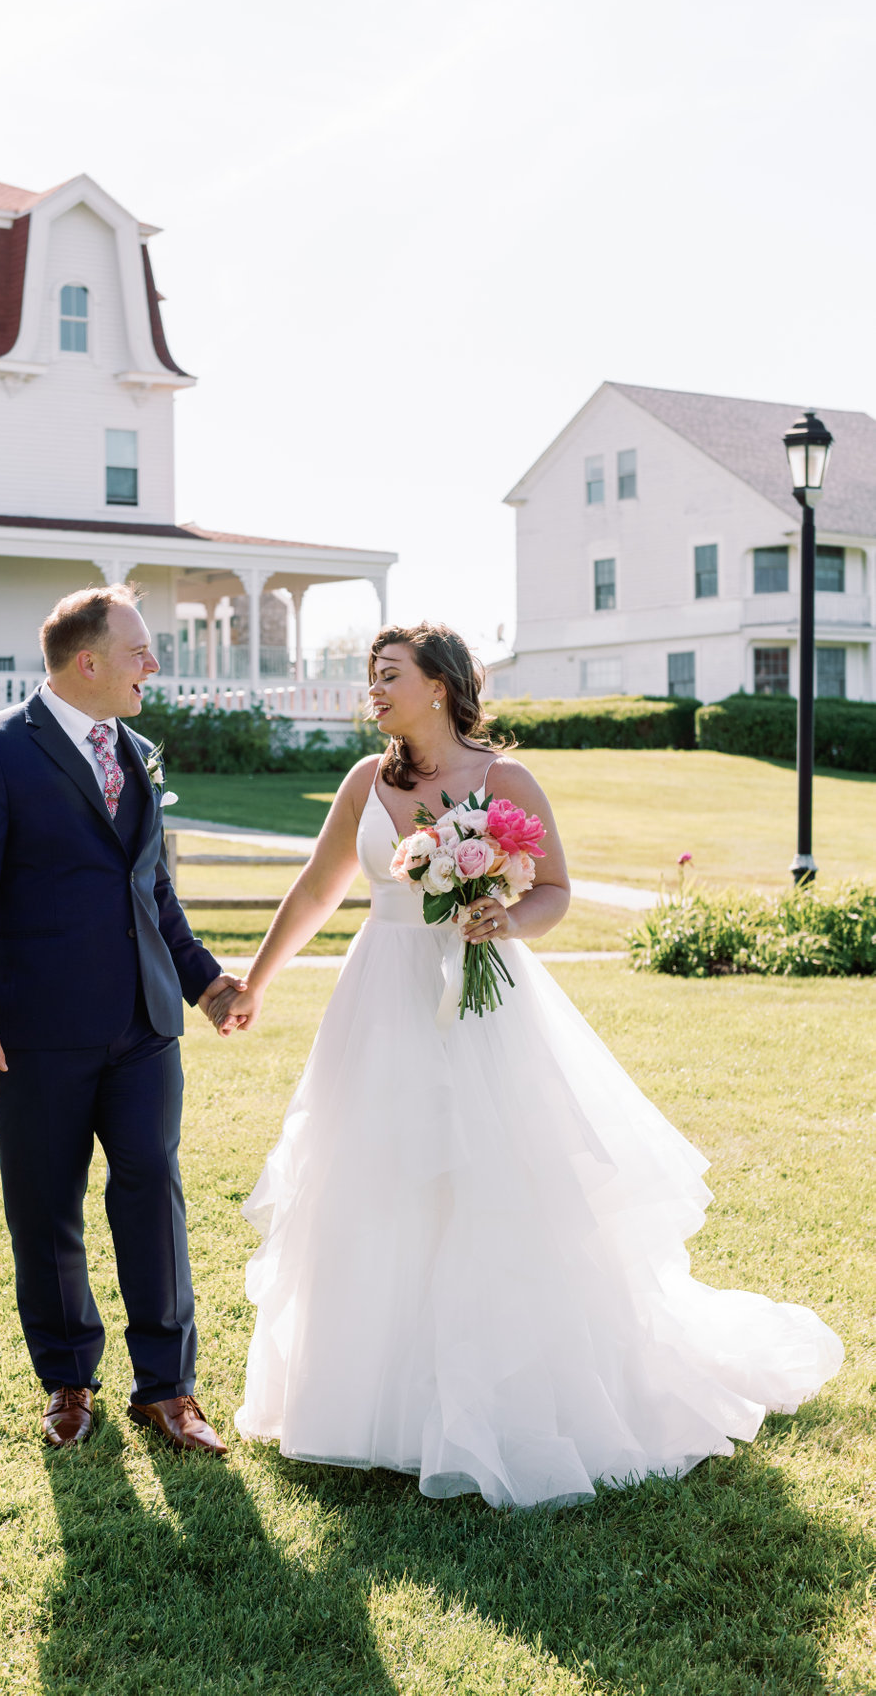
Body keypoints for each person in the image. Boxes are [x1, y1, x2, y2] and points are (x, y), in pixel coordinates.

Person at [217, 623, 843, 1509]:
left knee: (492, 1181)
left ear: (438, 686)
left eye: (388, 675)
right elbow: (319, 887)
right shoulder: (366, 781)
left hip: (483, 1004)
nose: (375, 690)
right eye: (371, 676)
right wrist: (257, 981)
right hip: (381, 997)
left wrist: (504, 919)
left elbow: (551, 890)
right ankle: (372, 1401)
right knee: (375, 1176)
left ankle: (502, 1393)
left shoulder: (502, 780)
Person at [0, 584, 246, 1454]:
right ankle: (69, 1380)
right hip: (34, 1031)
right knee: (46, 1207)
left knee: (154, 1192)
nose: (154, 664)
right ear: (89, 662)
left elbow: (151, 889)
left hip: (145, 1026)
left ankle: (169, 1389)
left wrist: (206, 982)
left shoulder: (139, 749)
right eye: (141, 650)